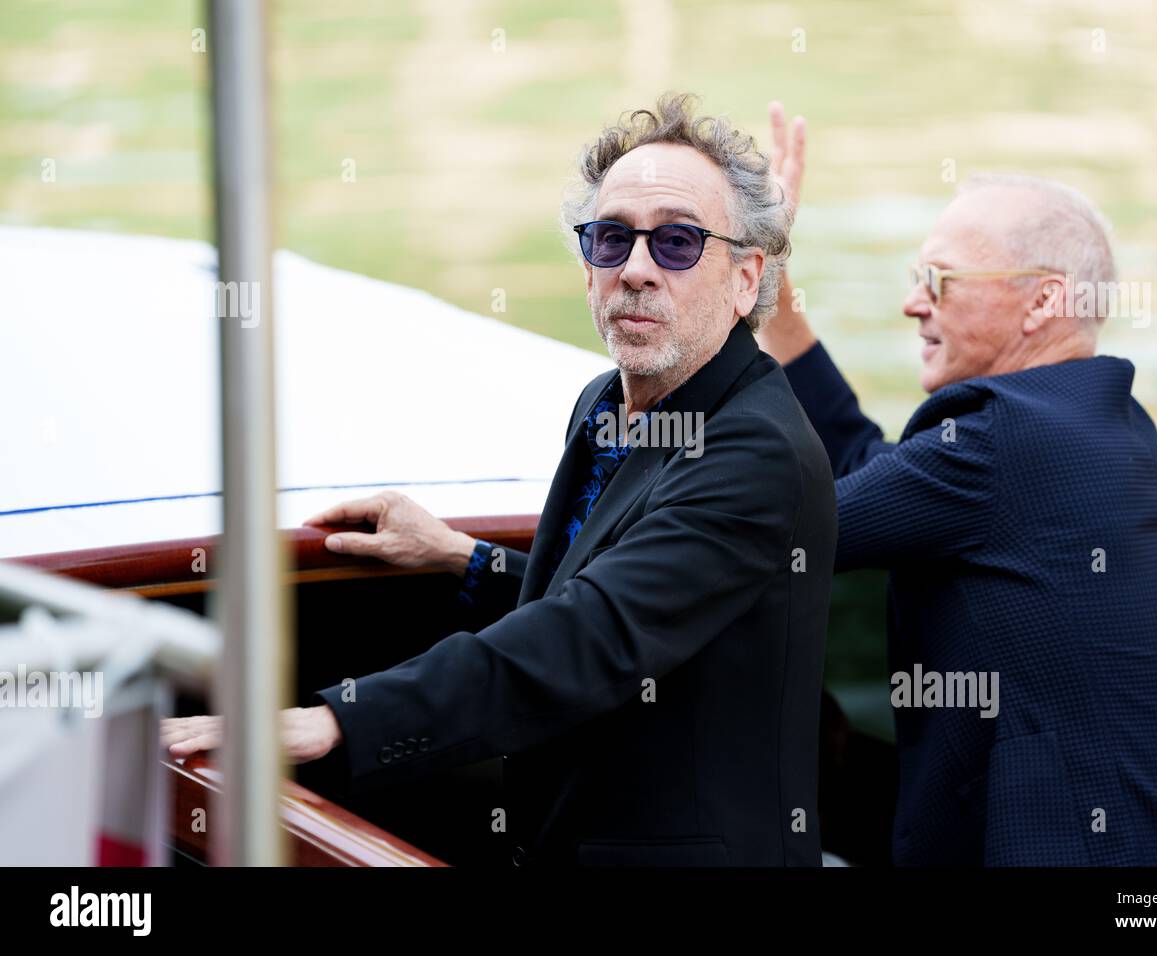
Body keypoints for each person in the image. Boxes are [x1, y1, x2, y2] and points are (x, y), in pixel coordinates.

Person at [163, 93, 837, 868]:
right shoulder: (604, 400)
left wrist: (339, 721)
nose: (638, 270)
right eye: (611, 239)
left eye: (678, 244)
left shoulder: (757, 454)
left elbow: (592, 636)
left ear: (747, 279)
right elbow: (591, 591)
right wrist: (463, 556)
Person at [758, 105, 1157, 866]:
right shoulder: (1115, 426)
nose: (912, 302)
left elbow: (783, 527)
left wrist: (728, 287)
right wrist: (777, 287)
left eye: (940, 280)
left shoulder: (1000, 439)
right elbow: (870, 472)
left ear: (1046, 300)